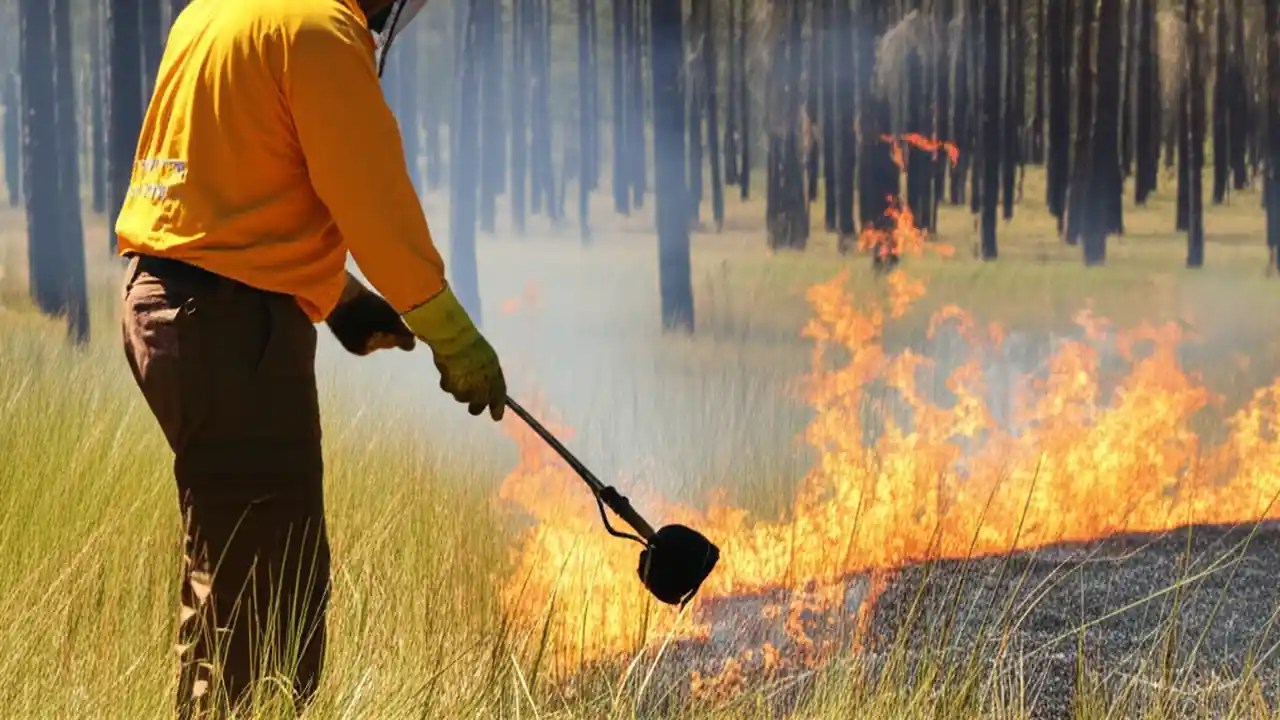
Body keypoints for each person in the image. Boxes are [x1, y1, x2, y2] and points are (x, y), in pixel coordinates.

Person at [115, 0, 504, 715]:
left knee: (230, 573)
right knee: (271, 594)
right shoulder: (318, 32)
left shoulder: (222, 12)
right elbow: (375, 207)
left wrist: (340, 300)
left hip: (168, 305)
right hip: (228, 327)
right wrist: (456, 339)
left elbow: (232, 193)